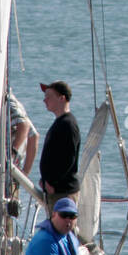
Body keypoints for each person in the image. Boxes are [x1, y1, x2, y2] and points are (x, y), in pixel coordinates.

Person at [39, 80, 81, 216]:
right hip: (55, 190)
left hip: (62, 192)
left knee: (63, 230)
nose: (44, 100)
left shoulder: (68, 125)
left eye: (49, 97)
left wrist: (52, 182)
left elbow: (68, 158)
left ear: (62, 99)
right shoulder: (60, 123)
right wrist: (44, 180)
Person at [8, 90, 38, 178]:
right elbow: (34, 135)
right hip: (13, 173)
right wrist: (25, 174)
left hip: (4, 172)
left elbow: (24, 125)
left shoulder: (7, 102)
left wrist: (12, 153)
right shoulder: (15, 104)